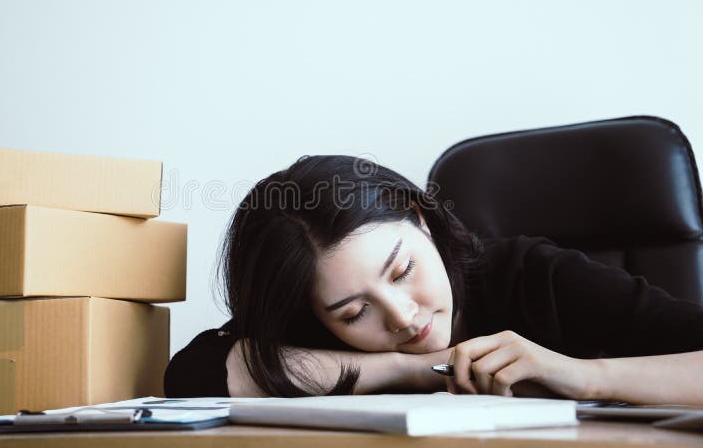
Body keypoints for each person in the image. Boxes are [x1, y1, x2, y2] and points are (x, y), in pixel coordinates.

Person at [164, 155, 703, 403]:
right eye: (355, 313)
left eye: (403, 270)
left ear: (422, 219)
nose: (401, 315)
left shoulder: (531, 274)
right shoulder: (313, 321)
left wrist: (588, 377)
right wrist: (412, 368)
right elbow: (196, 374)